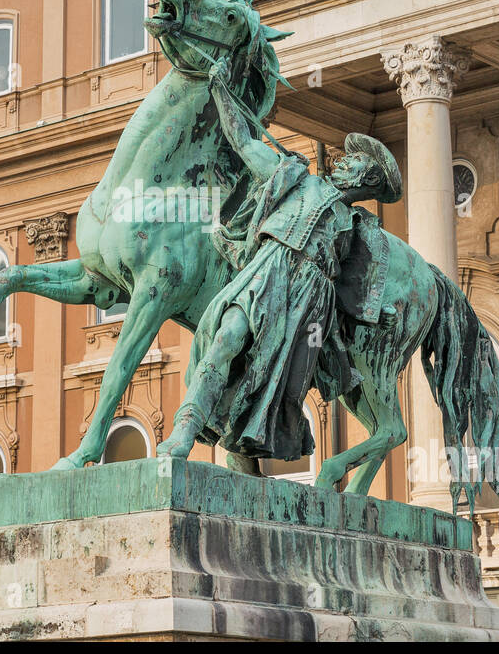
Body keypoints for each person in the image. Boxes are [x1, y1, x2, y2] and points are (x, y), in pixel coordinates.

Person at [156, 56, 402, 464]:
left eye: (355, 160)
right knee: (228, 337)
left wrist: (378, 314)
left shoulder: (360, 231)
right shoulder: (293, 177)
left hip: (311, 303)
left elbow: (356, 290)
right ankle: (185, 432)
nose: (343, 159)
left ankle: (254, 445)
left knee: (287, 387)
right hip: (268, 271)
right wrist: (220, 90)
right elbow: (246, 143)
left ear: (368, 180)